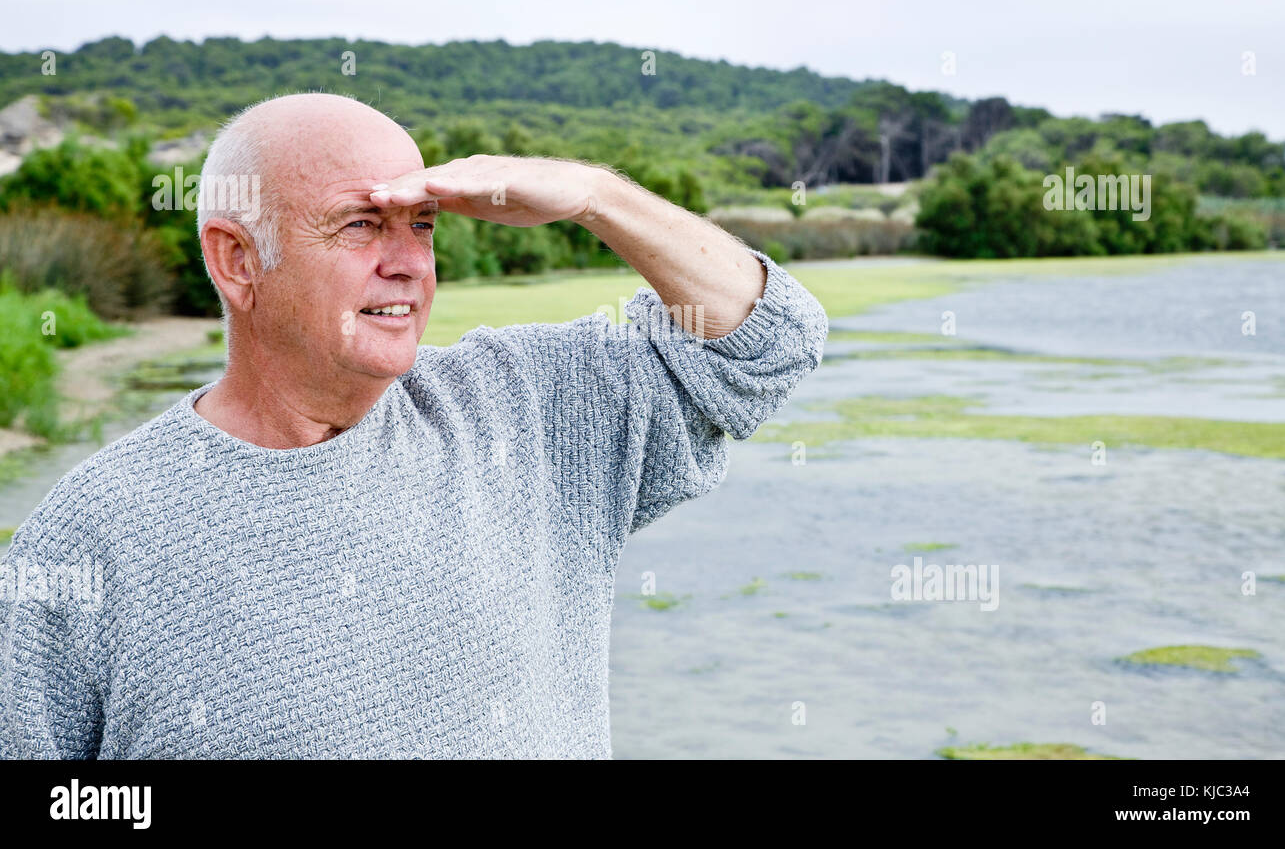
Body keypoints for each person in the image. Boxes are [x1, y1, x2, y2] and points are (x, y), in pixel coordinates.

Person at [0, 92, 828, 758]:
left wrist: (592, 195)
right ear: (237, 261)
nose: (409, 262)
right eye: (361, 225)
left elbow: (770, 341)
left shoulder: (525, 409)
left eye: (422, 225)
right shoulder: (88, 540)